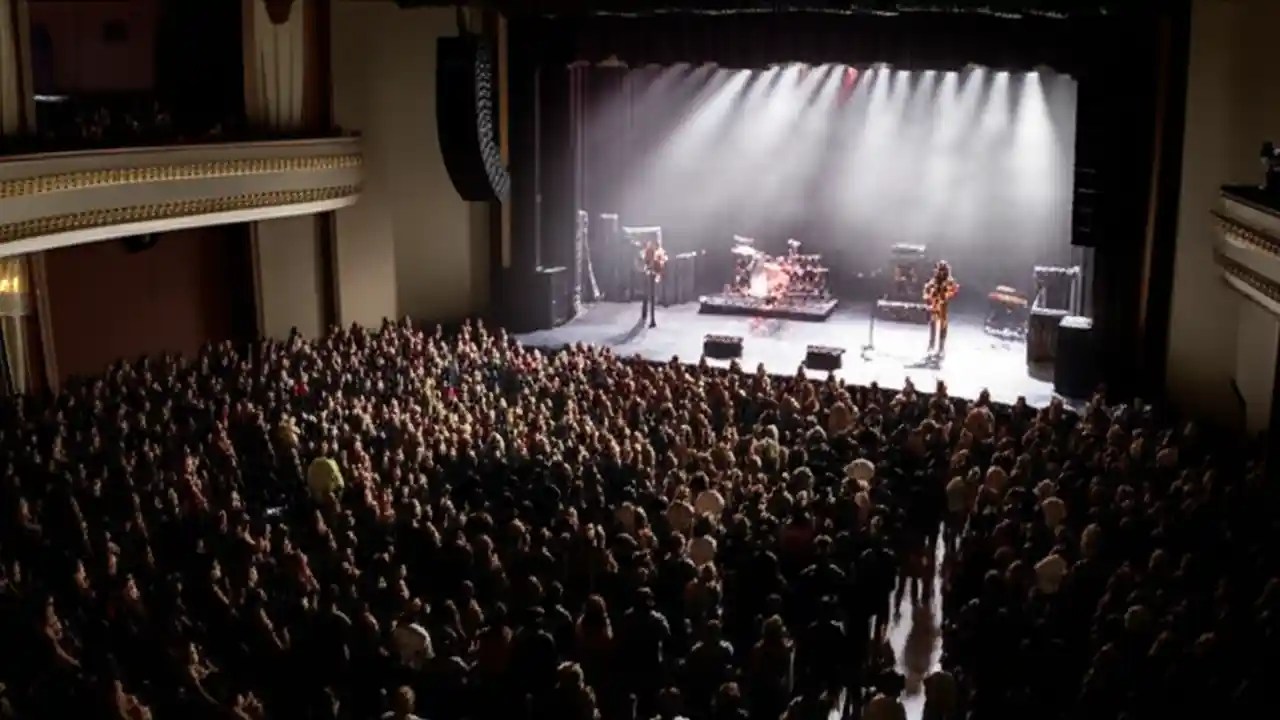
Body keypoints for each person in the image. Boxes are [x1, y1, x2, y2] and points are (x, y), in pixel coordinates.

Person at [922, 260, 959, 357]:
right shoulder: (934, 280)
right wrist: (929, 296)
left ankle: (941, 347)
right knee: (933, 324)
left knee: (943, 326)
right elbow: (927, 289)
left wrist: (946, 295)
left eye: (943, 270)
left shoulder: (949, 281)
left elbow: (954, 289)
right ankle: (931, 345)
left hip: (943, 306)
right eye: (939, 269)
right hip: (935, 305)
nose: (940, 272)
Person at [639, 235, 667, 329]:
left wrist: (657, 272)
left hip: (652, 275)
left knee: (650, 296)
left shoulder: (657, 251)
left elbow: (661, 263)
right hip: (649, 274)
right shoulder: (650, 250)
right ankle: (646, 315)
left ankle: (651, 318)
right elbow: (646, 262)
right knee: (647, 296)